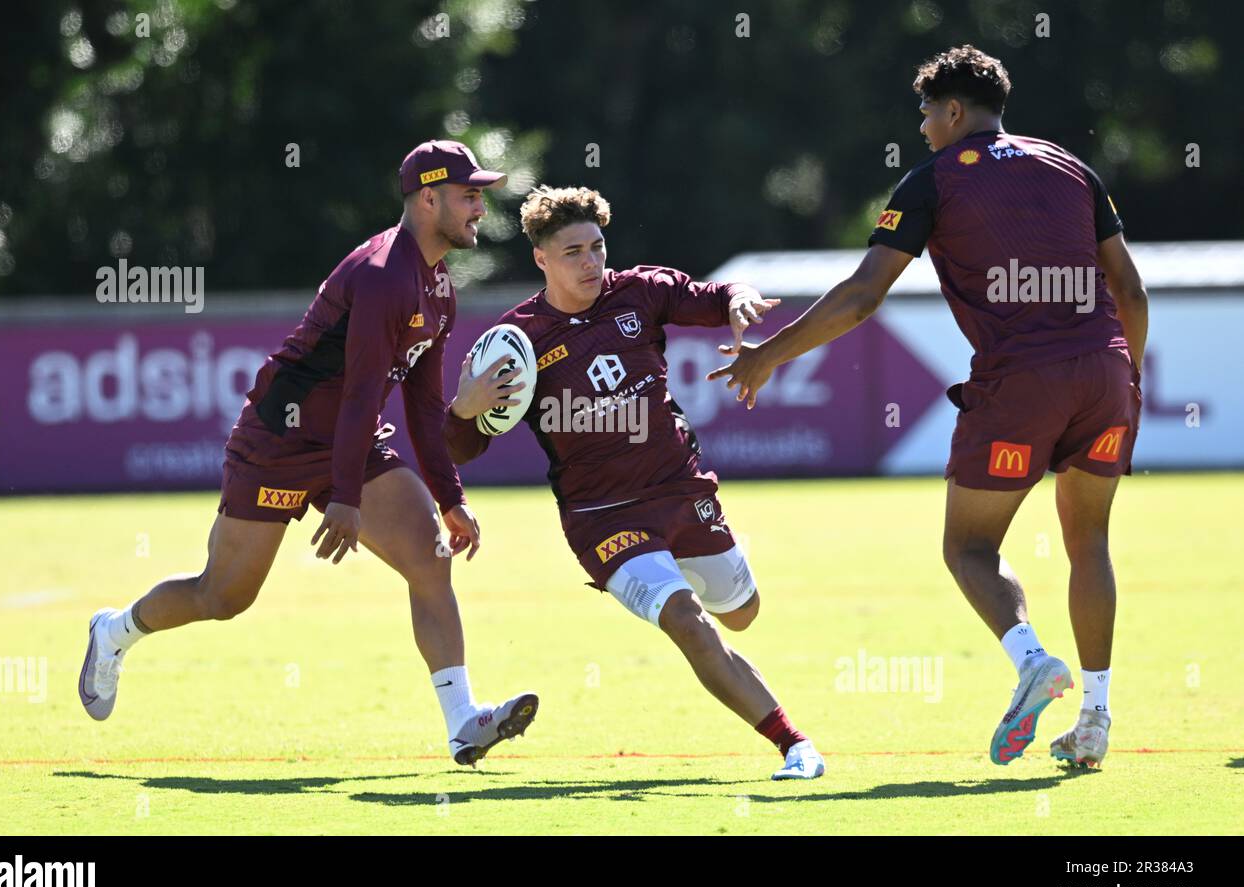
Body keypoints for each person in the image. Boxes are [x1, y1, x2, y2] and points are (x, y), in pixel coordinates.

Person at [711, 46, 1147, 769]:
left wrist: (766, 354)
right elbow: (1129, 290)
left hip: (1020, 382)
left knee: (969, 547)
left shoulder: (932, 181)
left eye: (924, 113)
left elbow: (861, 296)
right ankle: (1096, 715)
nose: (921, 128)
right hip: (1104, 370)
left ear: (952, 110)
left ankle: (1033, 659)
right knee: (1089, 541)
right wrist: (1128, 377)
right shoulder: (1074, 167)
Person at [80, 140, 539, 767]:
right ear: (428, 198)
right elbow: (356, 397)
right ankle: (114, 630)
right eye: (469, 194)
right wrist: (344, 499)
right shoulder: (383, 277)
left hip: (351, 440)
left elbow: (423, 413)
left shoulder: (438, 288)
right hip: (280, 441)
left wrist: (451, 498)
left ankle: (463, 722)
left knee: (431, 559)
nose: (481, 206)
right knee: (223, 597)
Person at [444, 185, 824, 780]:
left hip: (680, 490)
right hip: (603, 518)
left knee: (742, 613)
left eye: (596, 246)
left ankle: (715, 581)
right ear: (540, 258)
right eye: (572, 252)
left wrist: (740, 298)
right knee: (686, 619)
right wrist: (463, 410)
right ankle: (794, 744)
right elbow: (461, 447)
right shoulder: (517, 343)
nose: (591, 262)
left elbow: (712, 295)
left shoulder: (637, 292)